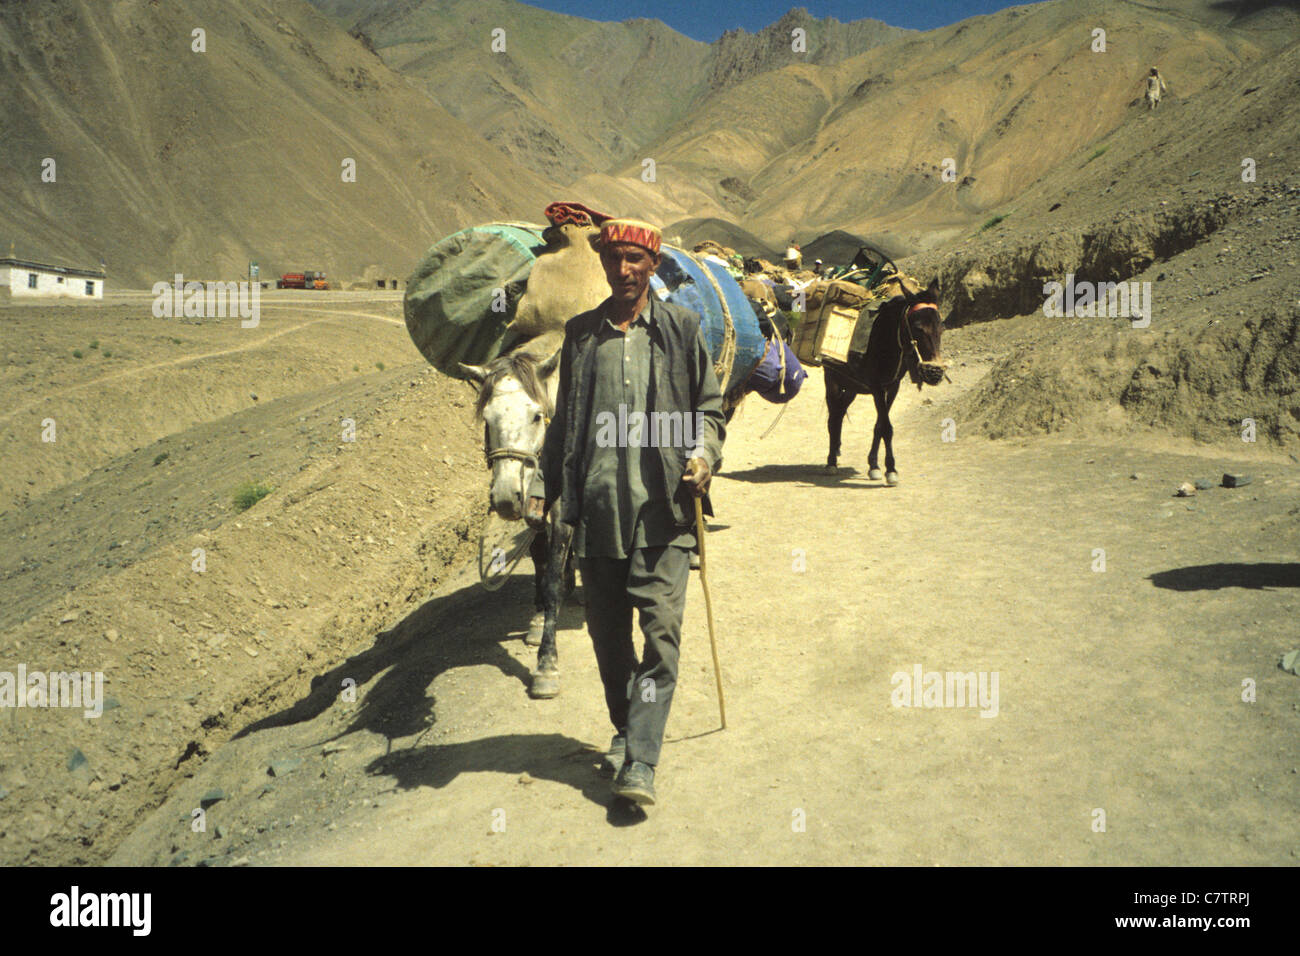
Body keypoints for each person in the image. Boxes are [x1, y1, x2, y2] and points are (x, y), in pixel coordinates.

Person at [525, 218, 725, 807]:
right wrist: (544, 482)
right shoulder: (582, 336)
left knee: (661, 640)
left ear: (653, 267)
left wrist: (703, 453)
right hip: (599, 515)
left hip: (664, 516)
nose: (624, 269)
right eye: (615, 259)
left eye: (635, 259)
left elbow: (709, 411)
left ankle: (640, 761)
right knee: (610, 642)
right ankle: (625, 726)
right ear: (605, 265)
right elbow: (564, 425)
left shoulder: (682, 330)